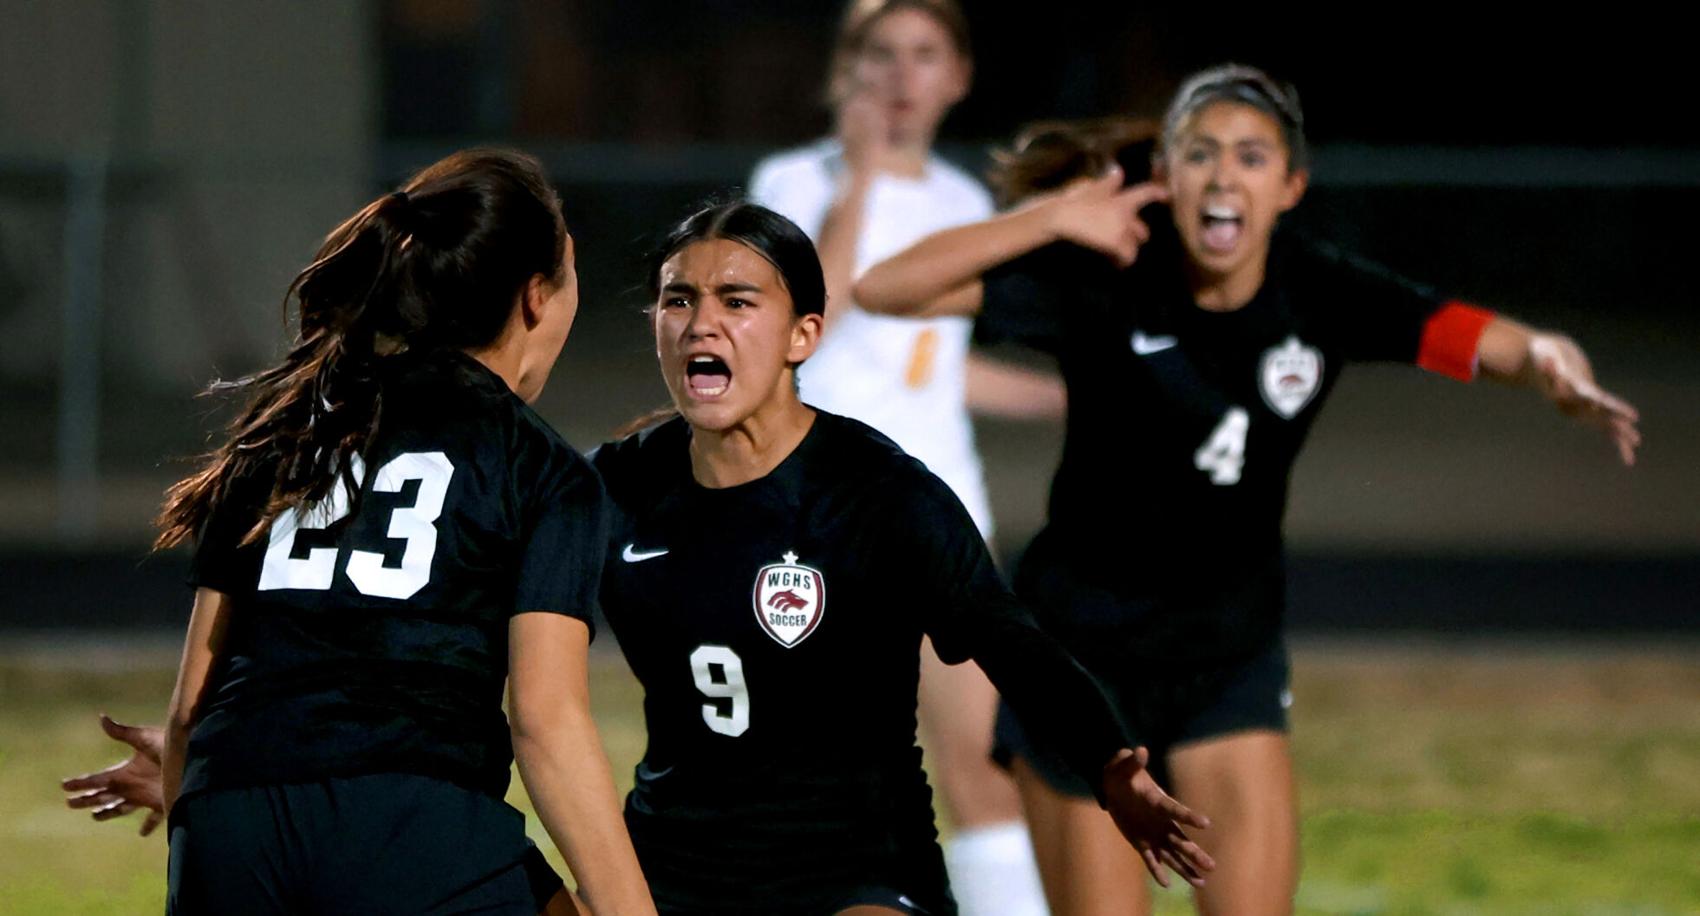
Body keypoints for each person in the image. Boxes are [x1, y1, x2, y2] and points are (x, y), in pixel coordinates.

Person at [852, 64, 1641, 916]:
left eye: (1252, 157)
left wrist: (1548, 359)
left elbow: (1464, 334)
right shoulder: (1105, 272)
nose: (1225, 176)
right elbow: (882, 289)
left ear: (1291, 185)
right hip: (1081, 670)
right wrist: (1049, 216)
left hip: (1226, 665)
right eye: (1201, 154)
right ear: (1167, 173)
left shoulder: (1318, 290)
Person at [70, 149, 654, 916]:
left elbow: (188, 711)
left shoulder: (286, 432)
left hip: (232, 814)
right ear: (537, 297)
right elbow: (545, 722)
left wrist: (218, 813)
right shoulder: (539, 467)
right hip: (407, 824)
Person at [594, 200, 1211, 915]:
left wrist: (1109, 766)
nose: (702, 323)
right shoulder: (613, 488)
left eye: (737, 300)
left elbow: (1013, 646)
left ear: (803, 334)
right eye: (679, 299)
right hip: (671, 867)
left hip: (854, 870)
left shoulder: (880, 494)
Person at [748, 5, 1060, 909]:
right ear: (845, 71)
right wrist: (863, 182)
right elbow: (798, 323)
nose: (902, 76)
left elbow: (935, 370)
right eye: (880, 54)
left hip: (935, 518)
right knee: (796, 778)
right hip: (808, 520)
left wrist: (1075, 397)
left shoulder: (965, 205)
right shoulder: (793, 181)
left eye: (925, 56)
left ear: (958, 76)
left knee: (984, 774)